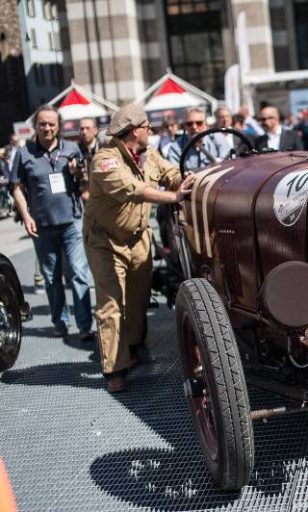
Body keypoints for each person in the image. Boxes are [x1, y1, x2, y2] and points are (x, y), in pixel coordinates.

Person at [84, 104, 196, 393]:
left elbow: (169, 171)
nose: (151, 132)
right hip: (105, 242)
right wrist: (172, 196)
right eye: (148, 127)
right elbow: (131, 189)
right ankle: (114, 369)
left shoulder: (148, 155)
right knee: (111, 305)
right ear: (134, 131)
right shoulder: (104, 160)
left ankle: (132, 345)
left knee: (137, 299)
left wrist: (184, 180)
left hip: (138, 238)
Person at [9, 105, 94, 340]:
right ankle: (60, 322)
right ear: (35, 126)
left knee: (78, 273)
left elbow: (84, 183)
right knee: (51, 277)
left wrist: (78, 173)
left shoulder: (72, 148)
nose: (47, 128)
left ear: (59, 126)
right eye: (42, 124)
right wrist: (26, 216)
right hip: (42, 225)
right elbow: (16, 186)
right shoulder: (24, 154)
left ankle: (85, 326)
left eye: (51, 124)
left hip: (72, 221)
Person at [167, 107, 230, 171]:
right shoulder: (176, 147)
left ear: (206, 125)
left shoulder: (217, 138)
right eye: (189, 124)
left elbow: (228, 163)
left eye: (199, 123)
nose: (194, 127)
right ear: (185, 126)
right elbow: (174, 173)